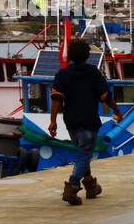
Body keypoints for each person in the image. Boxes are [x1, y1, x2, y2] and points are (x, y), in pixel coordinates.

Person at [49, 39, 122, 206]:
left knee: (83, 152)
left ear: (70, 56)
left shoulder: (62, 74)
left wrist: (53, 122)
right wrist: (117, 111)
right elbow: (106, 97)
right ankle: (72, 186)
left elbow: (56, 99)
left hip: (71, 122)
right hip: (89, 121)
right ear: (88, 55)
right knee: (85, 153)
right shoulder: (93, 73)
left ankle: (91, 186)